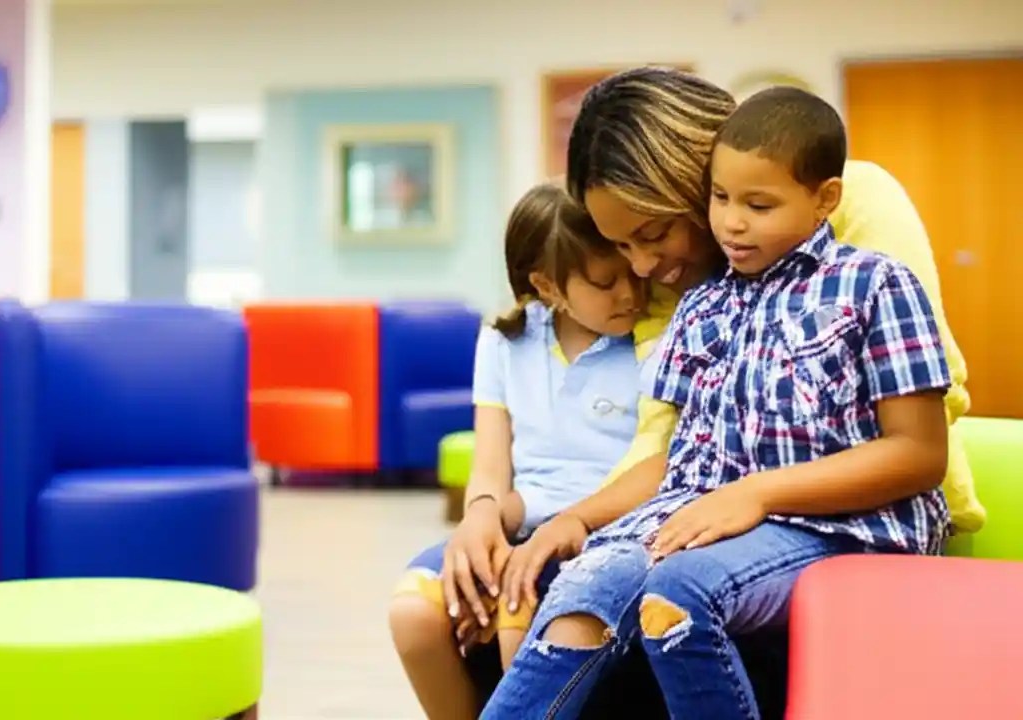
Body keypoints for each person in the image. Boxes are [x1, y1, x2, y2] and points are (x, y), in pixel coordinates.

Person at [481, 84, 958, 720]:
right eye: (723, 201)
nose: (732, 222)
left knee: (677, 593)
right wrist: (579, 518)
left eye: (756, 204)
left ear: (824, 200)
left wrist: (754, 493)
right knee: (583, 589)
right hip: (706, 516)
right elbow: (674, 457)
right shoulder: (703, 306)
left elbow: (920, 453)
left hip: (836, 522)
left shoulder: (871, 282)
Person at [388, 182, 647, 719]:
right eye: (605, 282)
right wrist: (480, 522)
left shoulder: (651, 340)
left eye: (630, 270)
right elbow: (490, 466)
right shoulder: (504, 341)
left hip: (604, 535)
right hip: (521, 527)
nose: (629, 292)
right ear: (547, 285)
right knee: (414, 612)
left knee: (514, 620)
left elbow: (653, 472)